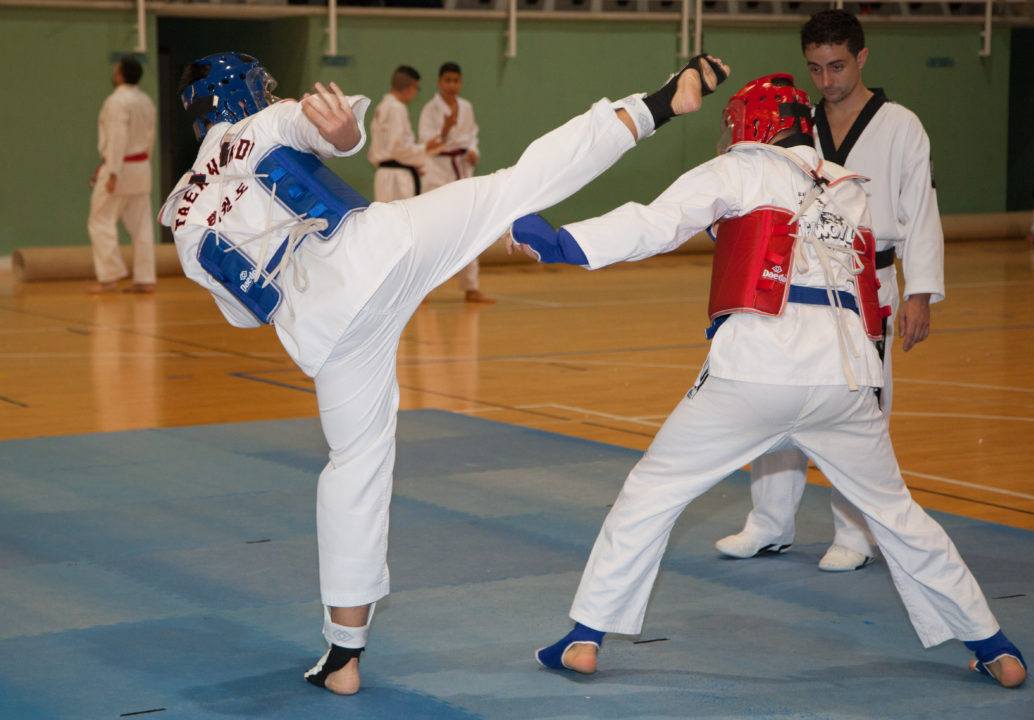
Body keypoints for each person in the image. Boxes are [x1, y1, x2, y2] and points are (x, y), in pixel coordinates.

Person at [160, 50, 729, 696]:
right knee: (519, 184)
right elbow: (332, 130)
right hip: (381, 251)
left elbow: (240, 312)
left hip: (325, 332)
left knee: (355, 466)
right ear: (247, 92)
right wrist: (341, 134)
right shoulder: (257, 127)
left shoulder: (179, 214)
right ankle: (657, 105)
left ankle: (343, 655)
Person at [512, 73, 1027, 689]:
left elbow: (658, 223)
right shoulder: (848, 189)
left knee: (652, 492)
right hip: (846, 380)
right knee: (896, 515)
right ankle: (991, 641)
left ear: (751, 123)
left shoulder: (741, 169)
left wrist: (566, 242)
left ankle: (585, 637)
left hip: (757, 367)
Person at [714, 8, 945, 572]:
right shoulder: (797, 124)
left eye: (837, 65)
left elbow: (921, 211)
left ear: (862, 57)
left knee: (859, 412)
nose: (826, 80)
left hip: (873, 283)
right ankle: (769, 523)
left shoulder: (900, 125)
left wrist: (921, 293)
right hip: (801, 281)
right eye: (815, 68)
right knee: (782, 397)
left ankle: (854, 534)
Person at [418, 62, 494, 304]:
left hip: (462, 168)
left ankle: (471, 287)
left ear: (461, 83)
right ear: (440, 82)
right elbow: (424, 143)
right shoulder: (430, 109)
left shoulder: (467, 107)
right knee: (432, 230)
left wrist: (473, 151)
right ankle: (423, 290)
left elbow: (473, 134)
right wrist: (445, 129)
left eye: (456, 80)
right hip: (437, 171)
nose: (452, 85)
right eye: (448, 80)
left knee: (470, 228)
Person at [87, 55, 157, 294]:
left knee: (100, 221)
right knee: (142, 226)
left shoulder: (116, 101)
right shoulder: (146, 100)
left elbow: (118, 136)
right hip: (141, 166)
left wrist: (113, 171)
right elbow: (150, 137)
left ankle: (109, 277)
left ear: (120, 75)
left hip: (120, 167)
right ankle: (145, 279)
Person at [367, 65, 446, 203]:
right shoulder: (397, 108)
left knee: (386, 219)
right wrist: (425, 148)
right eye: (417, 88)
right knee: (401, 220)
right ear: (411, 87)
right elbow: (397, 148)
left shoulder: (382, 106)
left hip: (384, 176)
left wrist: (414, 162)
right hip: (397, 179)